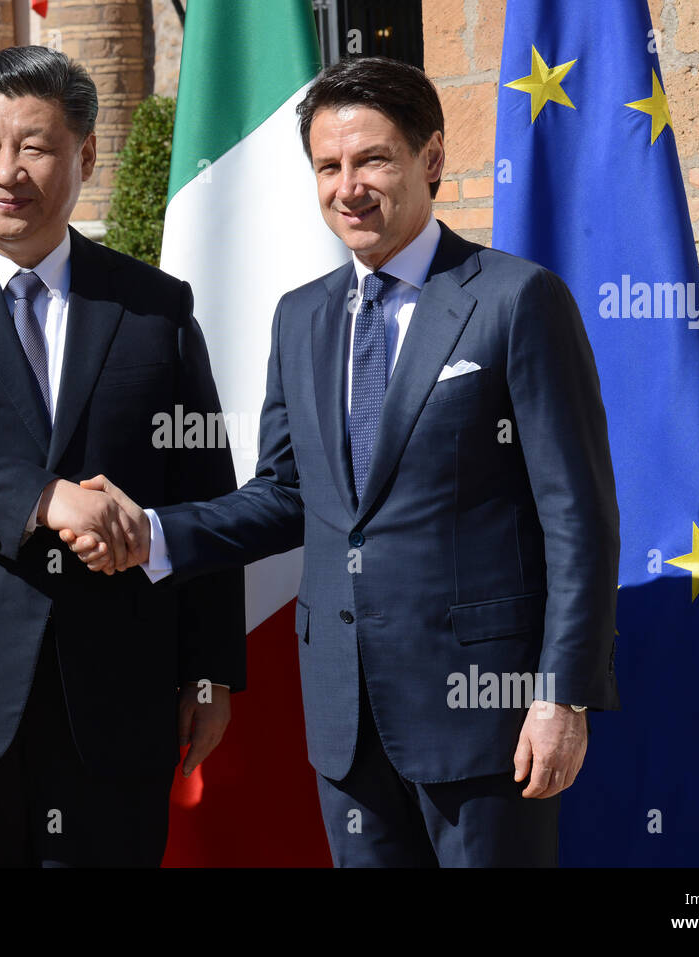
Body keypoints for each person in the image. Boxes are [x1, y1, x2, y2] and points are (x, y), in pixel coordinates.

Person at [61, 56, 620, 867]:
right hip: (344, 719)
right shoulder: (303, 319)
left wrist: (561, 694)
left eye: (373, 160)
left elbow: (579, 514)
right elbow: (289, 494)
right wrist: (152, 531)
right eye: (329, 166)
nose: (348, 187)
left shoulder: (515, 300)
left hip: (486, 717)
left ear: (430, 159)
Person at [0, 46, 244, 867]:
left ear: (85, 155)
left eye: (34, 146)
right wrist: (46, 497)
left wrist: (209, 672)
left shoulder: (152, 306)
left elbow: (204, 487)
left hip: (117, 687)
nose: (6, 171)